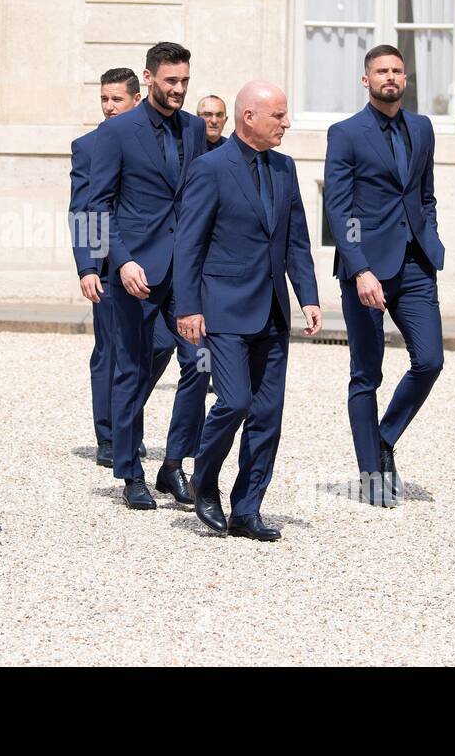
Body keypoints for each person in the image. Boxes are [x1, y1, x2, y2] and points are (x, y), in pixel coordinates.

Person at [175, 81, 321, 540]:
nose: (287, 123)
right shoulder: (210, 169)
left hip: (273, 311)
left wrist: (309, 296)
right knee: (234, 401)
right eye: (278, 115)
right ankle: (204, 475)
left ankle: (247, 509)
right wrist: (188, 307)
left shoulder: (285, 168)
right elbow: (189, 243)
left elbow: (296, 238)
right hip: (224, 308)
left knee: (267, 415)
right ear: (249, 118)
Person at [87, 41, 209, 510]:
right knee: (133, 371)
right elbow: (98, 206)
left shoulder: (196, 129)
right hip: (135, 273)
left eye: (184, 81)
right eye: (171, 81)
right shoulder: (117, 132)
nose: (178, 89)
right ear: (150, 77)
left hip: (187, 275)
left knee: (199, 365)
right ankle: (129, 471)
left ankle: (174, 463)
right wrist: (121, 260)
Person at [323, 44, 445, 506]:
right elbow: (338, 207)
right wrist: (360, 269)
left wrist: (430, 235)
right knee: (365, 373)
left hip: (415, 262)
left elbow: (425, 194)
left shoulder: (423, 127)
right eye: (380, 71)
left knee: (430, 360)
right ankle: (370, 473)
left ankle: (385, 437)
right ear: (366, 80)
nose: (389, 78)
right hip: (366, 270)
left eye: (396, 71)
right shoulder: (346, 133)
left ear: (405, 78)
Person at [70, 67, 176, 467]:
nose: (109, 106)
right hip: (110, 266)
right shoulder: (87, 146)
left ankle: (124, 414)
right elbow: (85, 211)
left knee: (162, 343)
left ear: (137, 98)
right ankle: (110, 436)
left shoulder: (167, 138)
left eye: (116, 99)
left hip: (159, 261)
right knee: (111, 350)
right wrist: (88, 266)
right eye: (104, 99)